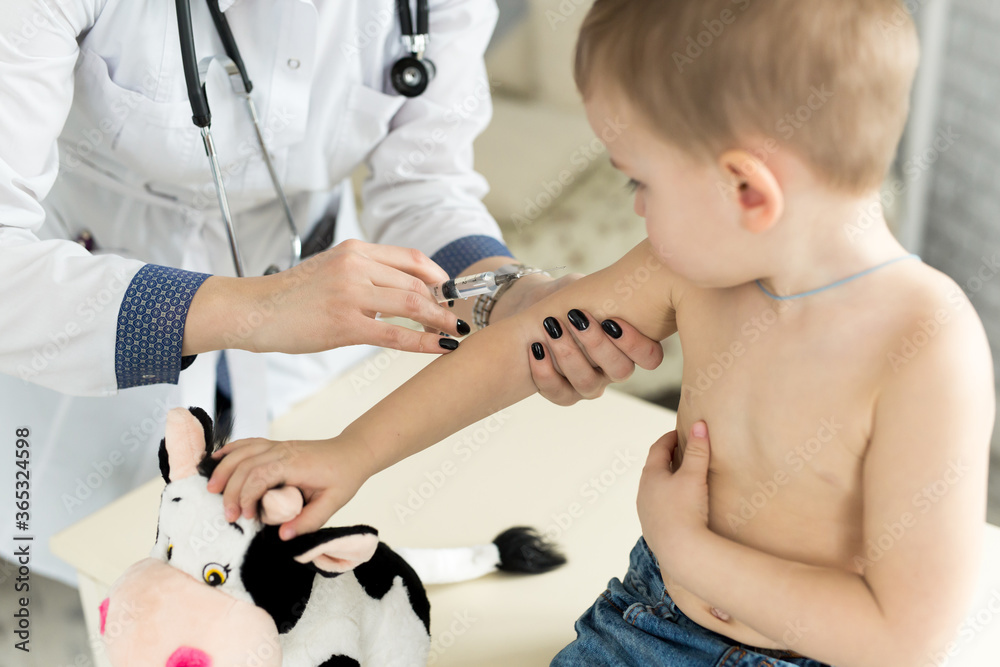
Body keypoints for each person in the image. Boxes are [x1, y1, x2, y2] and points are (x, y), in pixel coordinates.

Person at [209, 0, 997, 665]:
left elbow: (904, 638)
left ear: (746, 189)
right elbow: (526, 342)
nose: (636, 209)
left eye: (638, 179)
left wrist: (690, 550)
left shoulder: (928, 347)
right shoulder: (697, 265)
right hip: (649, 619)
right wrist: (351, 452)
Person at [0, 0, 660, 585]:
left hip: (315, 310)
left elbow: (424, 185)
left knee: (292, 575)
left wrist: (508, 294)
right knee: (116, 574)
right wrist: (257, 309)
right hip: (92, 301)